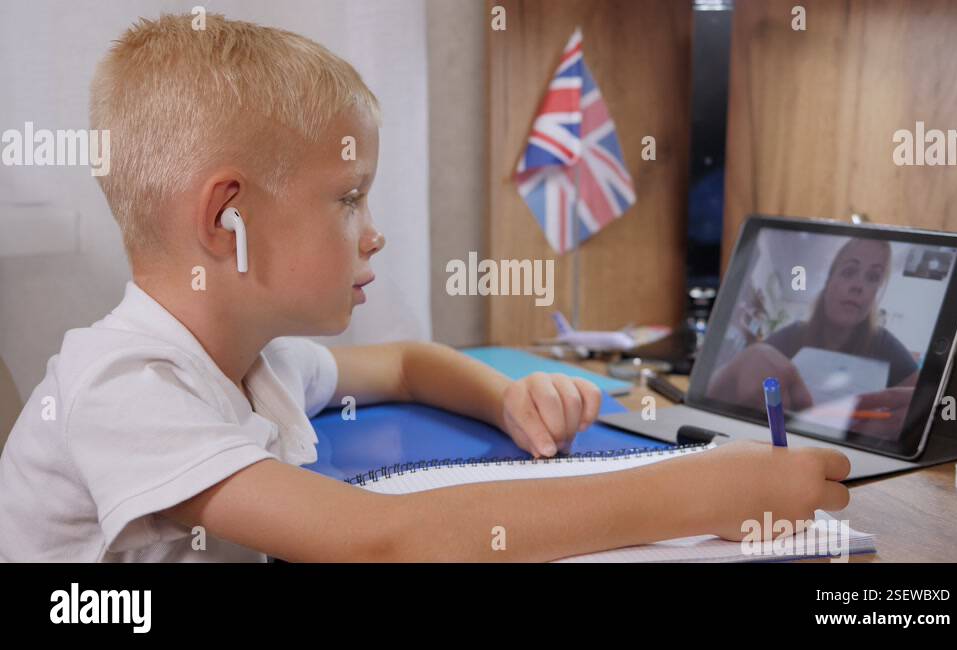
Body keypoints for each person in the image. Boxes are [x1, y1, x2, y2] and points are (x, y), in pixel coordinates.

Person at [0, 14, 850, 562]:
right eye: (348, 197)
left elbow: (405, 365)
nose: (374, 229)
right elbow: (386, 541)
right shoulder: (126, 386)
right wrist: (701, 491)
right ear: (229, 221)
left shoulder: (255, 359)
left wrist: (507, 396)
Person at [708, 237, 917, 439]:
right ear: (829, 281)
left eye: (873, 277)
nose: (858, 286)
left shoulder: (885, 343)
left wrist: (920, 412)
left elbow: (926, 397)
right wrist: (739, 365)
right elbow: (709, 391)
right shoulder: (793, 334)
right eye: (849, 271)